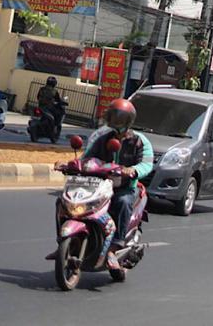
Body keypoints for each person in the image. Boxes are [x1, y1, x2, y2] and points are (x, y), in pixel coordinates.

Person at [53, 98, 153, 270]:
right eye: (114, 117)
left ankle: (115, 247)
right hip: (98, 186)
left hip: (125, 188)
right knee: (62, 202)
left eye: (121, 118)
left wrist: (133, 170)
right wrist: (68, 165)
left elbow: (147, 163)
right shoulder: (103, 138)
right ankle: (63, 243)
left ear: (129, 120)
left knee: (122, 203)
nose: (117, 121)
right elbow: (86, 159)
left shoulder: (139, 141)